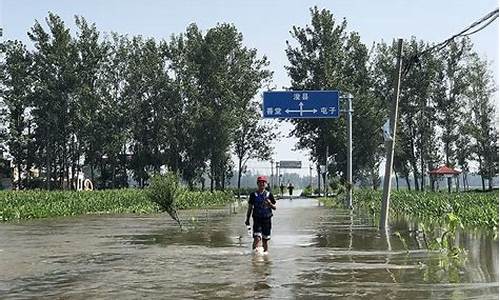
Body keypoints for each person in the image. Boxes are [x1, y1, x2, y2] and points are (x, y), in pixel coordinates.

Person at [245, 175, 276, 253]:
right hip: (257, 219)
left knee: (265, 240)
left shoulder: (269, 195)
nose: (261, 184)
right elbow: (250, 208)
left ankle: (265, 255)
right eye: (260, 182)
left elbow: (274, 207)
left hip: (267, 219)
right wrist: (247, 219)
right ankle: (254, 255)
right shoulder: (253, 195)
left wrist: (270, 204)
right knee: (257, 238)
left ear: (265, 184)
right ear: (257, 184)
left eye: (263, 182)